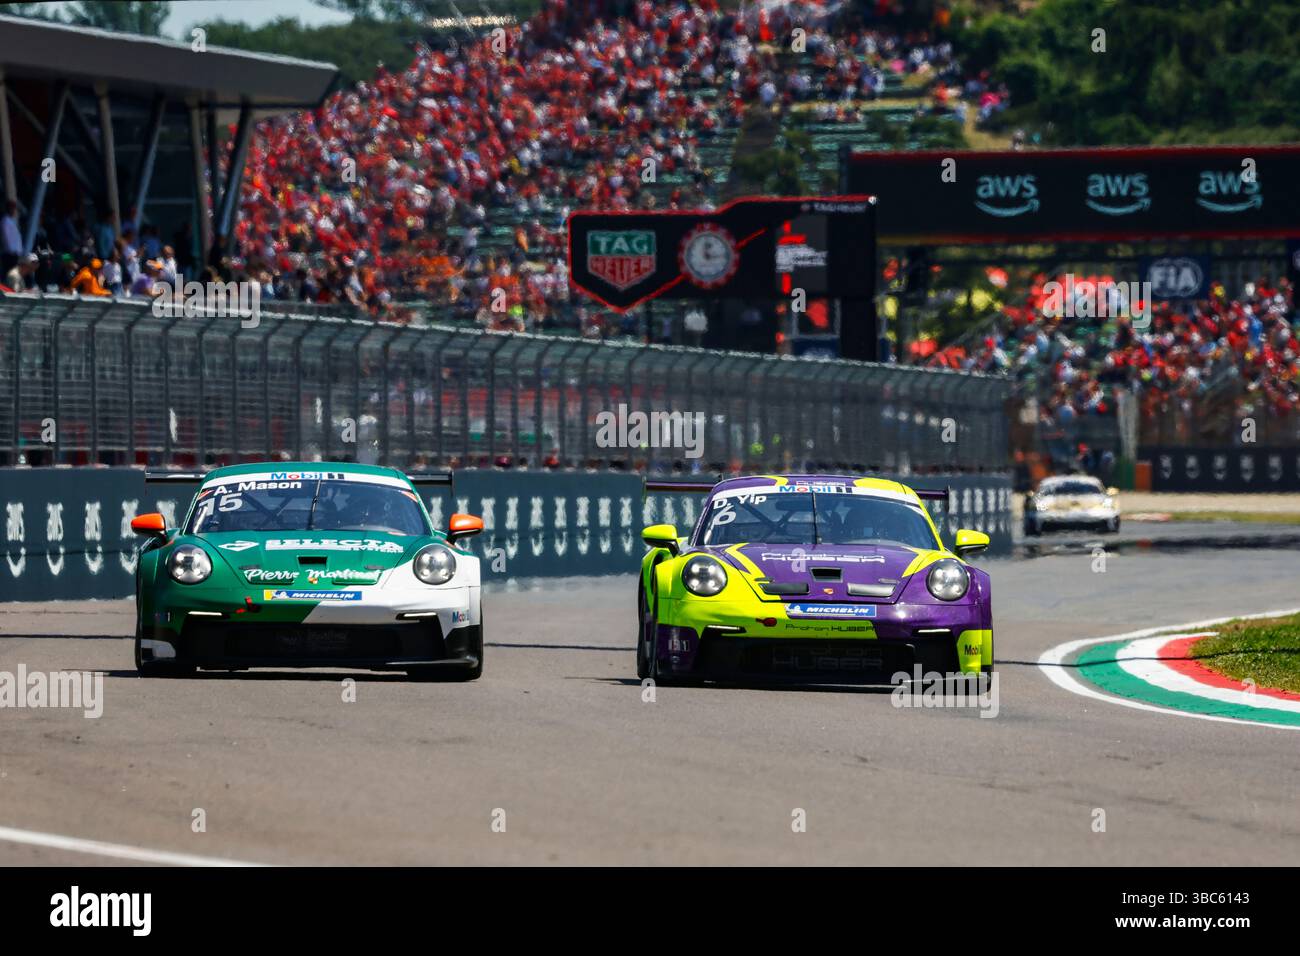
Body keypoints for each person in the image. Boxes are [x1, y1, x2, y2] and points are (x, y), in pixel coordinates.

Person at [1, 201, 21, 275]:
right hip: (10, 254)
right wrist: (12, 250)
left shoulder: (11, 221)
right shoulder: (5, 221)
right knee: (9, 273)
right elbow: (6, 237)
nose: (14, 211)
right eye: (13, 209)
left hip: (14, 253)